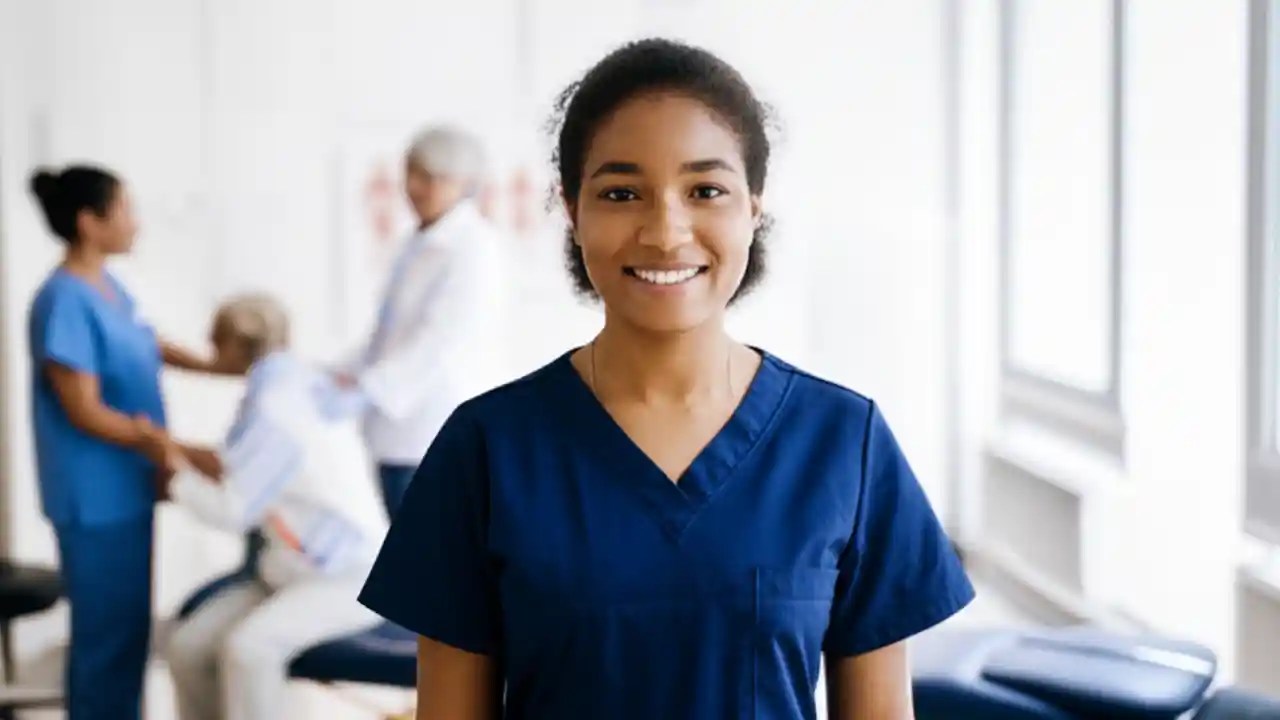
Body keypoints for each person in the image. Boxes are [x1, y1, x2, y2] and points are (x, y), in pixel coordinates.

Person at [357, 38, 975, 720]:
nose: (664, 231)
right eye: (622, 193)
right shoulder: (486, 448)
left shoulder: (842, 443)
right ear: (572, 209)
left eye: (705, 190)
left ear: (753, 206)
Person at [26, 165, 235, 719]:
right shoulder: (63, 299)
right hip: (93, 497)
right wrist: (178, 451)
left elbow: (144, 342)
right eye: (126, 211)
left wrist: (220, 367)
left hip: (126, 487)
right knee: (105, 638)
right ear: (89, 222)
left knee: (126, 630)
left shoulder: (107, 287)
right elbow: (83, 409)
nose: (136, 223)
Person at [161, 294, 385, 720]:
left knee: (249, 651)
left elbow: (233, 509)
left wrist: (174, 475)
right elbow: (241, 463)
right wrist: (175, 452)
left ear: (239, 345)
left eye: (216, 341)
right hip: (287, 569)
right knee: (187, 648)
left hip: (343, 576)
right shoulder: (295, 383)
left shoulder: (276, 406)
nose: (208, 351)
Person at [322, 125, 505, 515]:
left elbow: (440, 341)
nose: (415, 188)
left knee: (430, 560)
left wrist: (369, 388)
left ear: (465, 184)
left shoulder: (473, 248)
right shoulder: (419, 241)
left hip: (431, 428)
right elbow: (389, 333)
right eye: (411, 174)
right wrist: (341, 373)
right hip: (396, 434)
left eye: (431, 178)